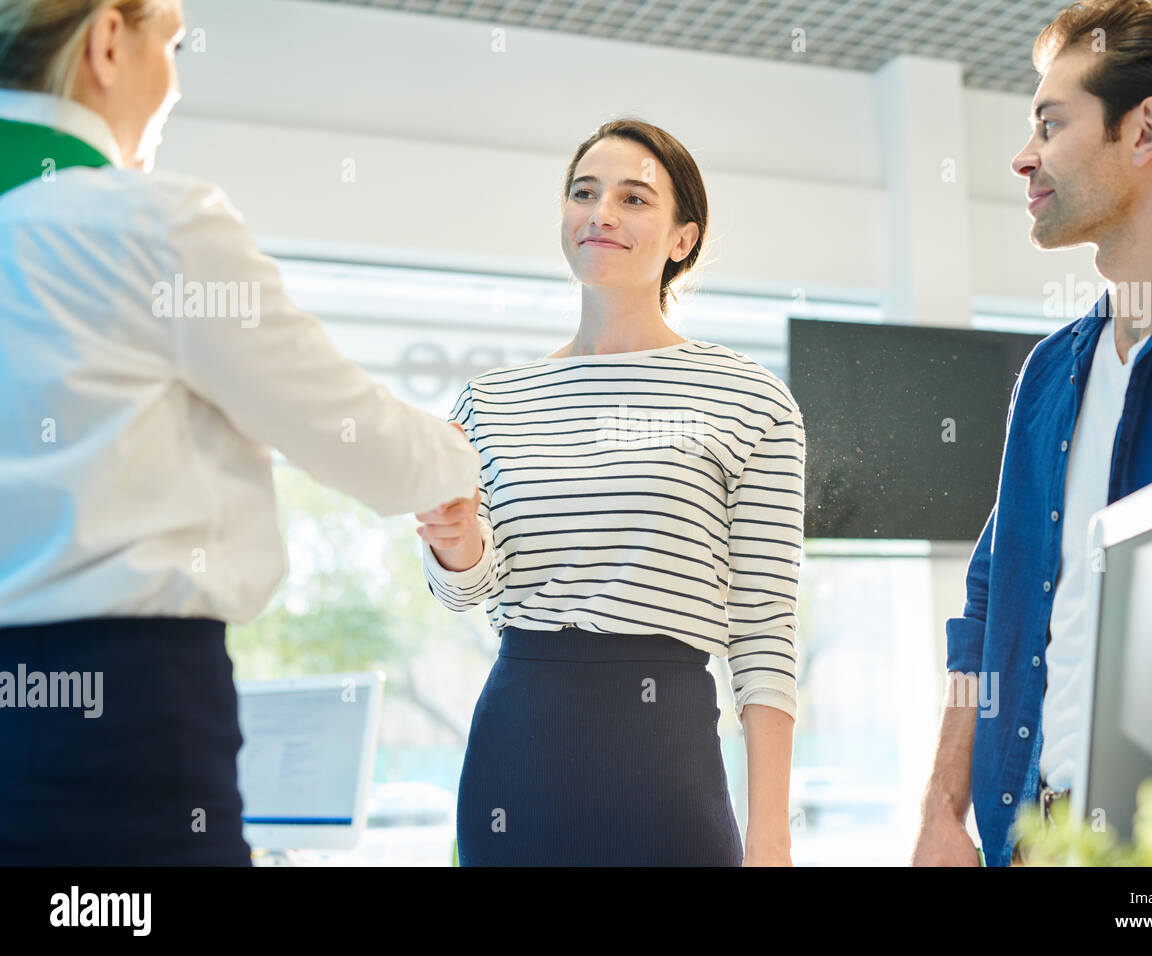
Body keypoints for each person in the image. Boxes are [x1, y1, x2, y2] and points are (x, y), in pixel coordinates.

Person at [0, 0, 480, 865]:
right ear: (109, 40)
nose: (177, 84)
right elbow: (348, 430)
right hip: (125, 718)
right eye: (173, 46)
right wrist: (458, 459)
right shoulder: (148, 224)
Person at [912, 0, 1152, 867]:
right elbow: (987, 608)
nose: (1024, 157)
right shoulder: (1050, 372)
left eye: (1051, 123)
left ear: (1146, 130)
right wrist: (943, 810)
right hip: (1030, 840)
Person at [415, 118, 804, 866]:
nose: (601, 214)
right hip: (518, 745)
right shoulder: (492, 401)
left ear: (682, 239)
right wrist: (456, 542)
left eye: (633, 198)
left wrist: (771, 835)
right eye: (584, 193)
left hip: (666, 761)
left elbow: (763, 631)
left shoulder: (747, 399)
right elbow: (467, 595)